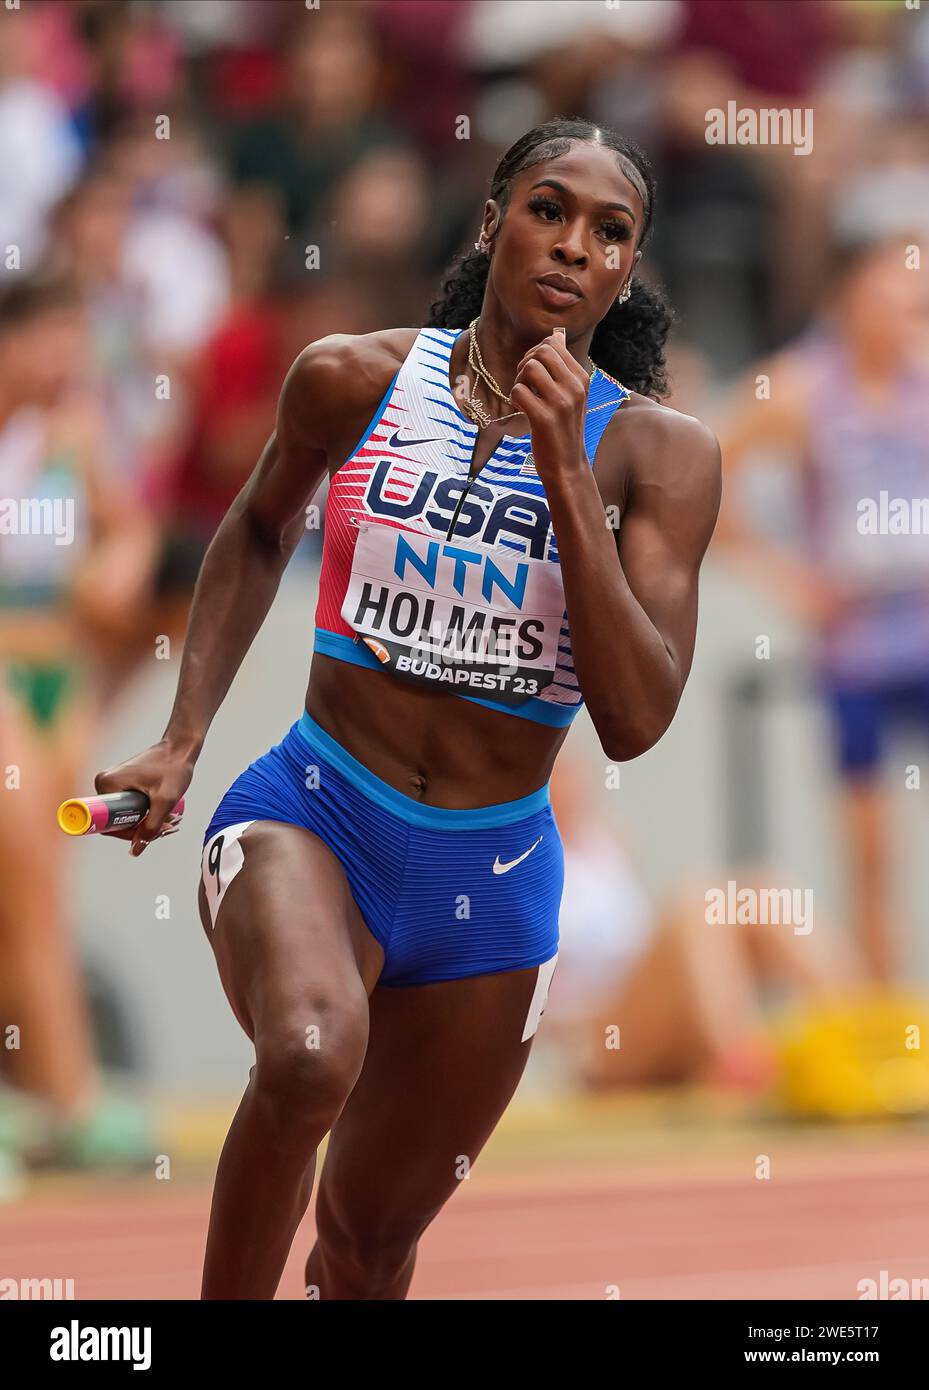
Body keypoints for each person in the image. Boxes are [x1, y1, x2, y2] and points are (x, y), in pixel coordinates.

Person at [94, 118, 721, 1300]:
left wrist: (567, 478)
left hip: (490, 882)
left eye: (608, 231)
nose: (571, 245)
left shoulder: (659, 456)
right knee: (306, 1054)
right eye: (546, 209)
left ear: (625, 270)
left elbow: (636, 716)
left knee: (368, 1249)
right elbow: (256, 527)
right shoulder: (354, 376)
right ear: (491, 225)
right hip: (316, 810)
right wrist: (184, 738)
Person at [716, 166, 929, 984]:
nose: (908, 300)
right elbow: (710, 475)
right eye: (894, 277)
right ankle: (885, 1022)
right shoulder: (802, 386)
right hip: (858, 641)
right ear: (849, 285)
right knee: (868, 848)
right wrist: (786, 575)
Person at [0, 271, 156, 1167]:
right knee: (24, 873)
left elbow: (128, 528)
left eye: (75, 339)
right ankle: (72, 1092)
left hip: (57, 678)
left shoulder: (76, 433)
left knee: (34, 889)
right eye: (50, 338)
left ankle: (39, 1092)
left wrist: (121, 565)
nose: (66, 359)